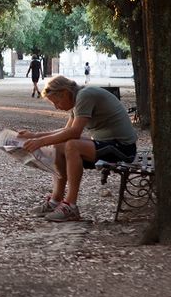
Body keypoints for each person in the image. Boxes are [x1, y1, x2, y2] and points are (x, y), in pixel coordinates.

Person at [19, 75, 137, 222]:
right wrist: (35, 136)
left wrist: (40, 142)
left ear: (65, 93)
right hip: (107, 144)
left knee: (72, 145)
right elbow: (65, 131)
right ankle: (55, 200)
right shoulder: (78, 99)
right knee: (59, 145)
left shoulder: (85, 96)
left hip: (123, 148)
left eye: (57, 102)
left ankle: (71, 206)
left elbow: (74, 133)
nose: (57, 107)